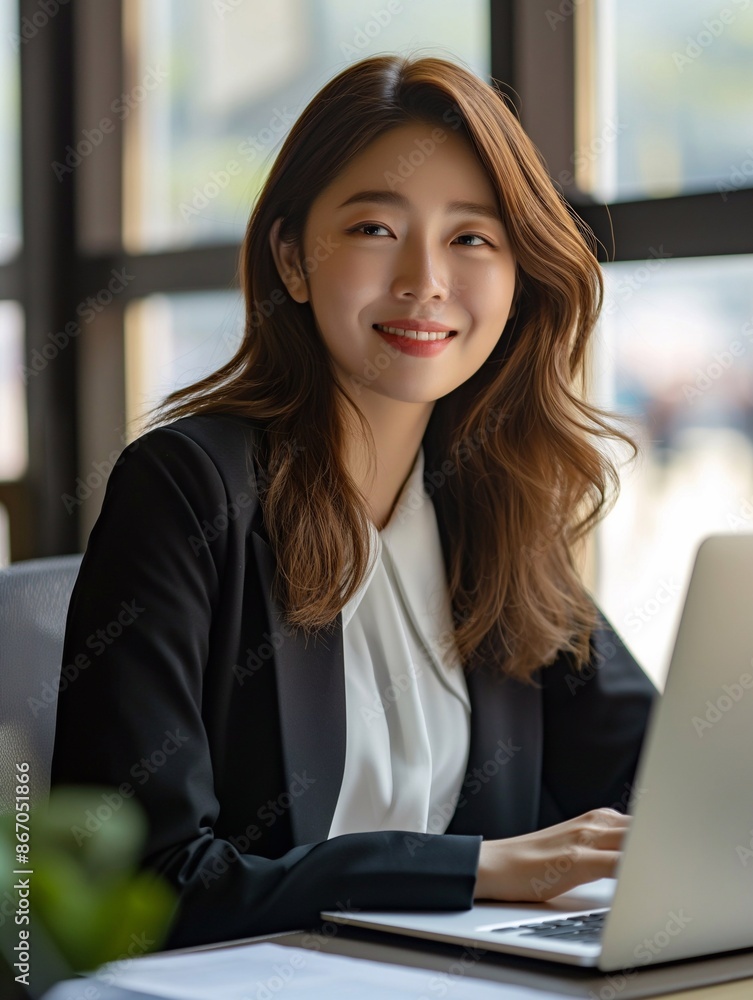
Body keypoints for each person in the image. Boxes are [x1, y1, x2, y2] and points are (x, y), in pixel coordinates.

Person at [51, 53, 657, 950]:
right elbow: (143, 883)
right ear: (292, 258)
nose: (424, 279)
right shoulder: (186, 490)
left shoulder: (492, 501)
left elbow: (660, 777)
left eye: (472, 238)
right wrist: (471, 870)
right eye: (375, 228)